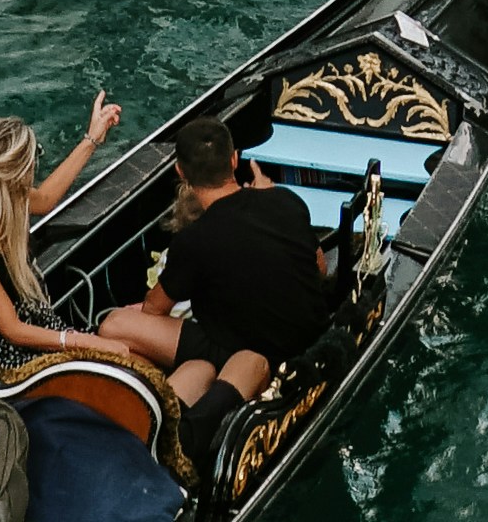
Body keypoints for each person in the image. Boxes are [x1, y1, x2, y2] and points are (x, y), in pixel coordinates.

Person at [145, 113, 341, 420]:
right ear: (235, 160)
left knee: (119, 324)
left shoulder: (191, 241)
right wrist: (269, 197)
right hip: (311, 341)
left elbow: (152, 311)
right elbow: (320, 269)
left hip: (248, 357)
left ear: (180, 171)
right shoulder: (286, 200)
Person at [0, 98, 127, 355]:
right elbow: (11, 329)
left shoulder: (12, 197)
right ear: (16, 173)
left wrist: (92, 138)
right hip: (13, 354)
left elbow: (47, 198)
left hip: (40, 330)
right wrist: (85, 342)